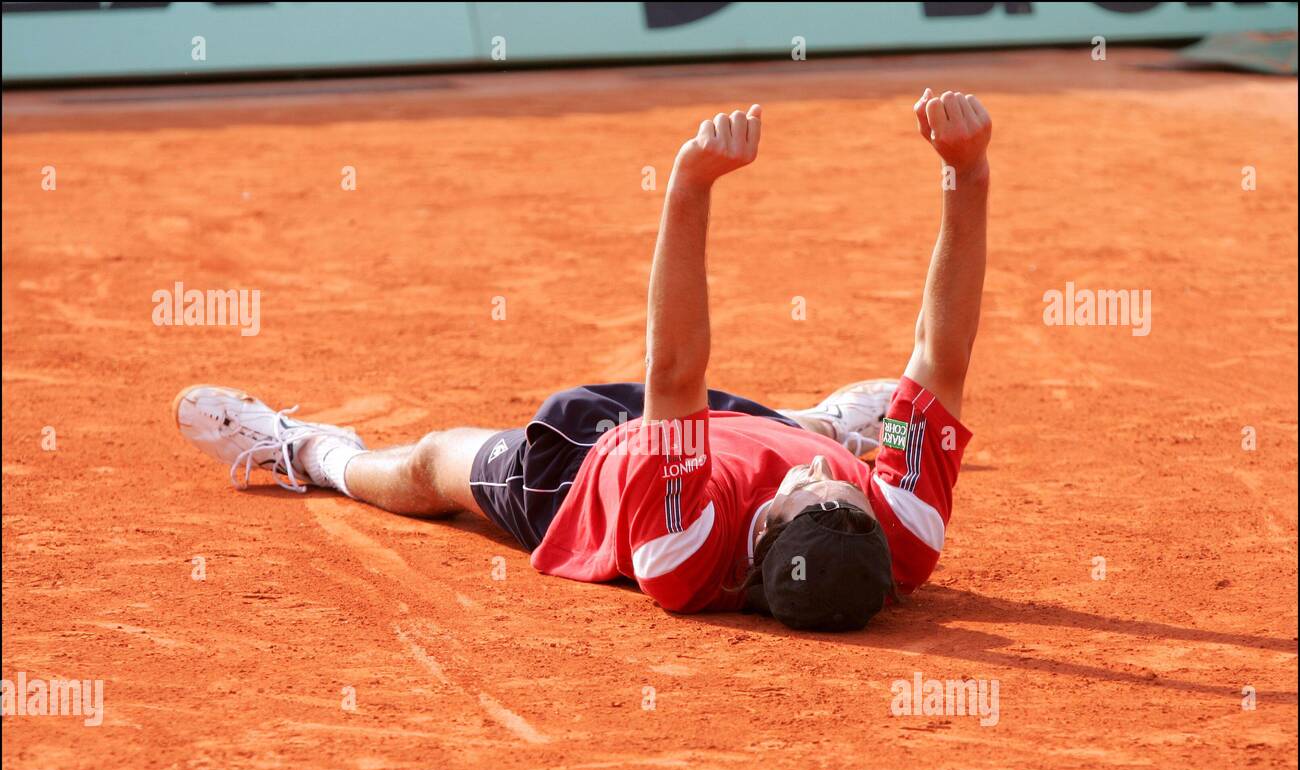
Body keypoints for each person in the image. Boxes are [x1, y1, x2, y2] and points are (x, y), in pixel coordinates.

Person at [174, 88, 990, 631]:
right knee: (832, 437)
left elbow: (674, 374)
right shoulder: (904, 533)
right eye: (845, 486)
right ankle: (824, 423)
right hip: (738, 435)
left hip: (590, 471)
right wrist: (969, 174)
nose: (824, 480)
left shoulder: (684, 550)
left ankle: (305, 452)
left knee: (430, 465)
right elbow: (940, 353)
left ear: (758, 542)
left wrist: (690, 185)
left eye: (808, 490)